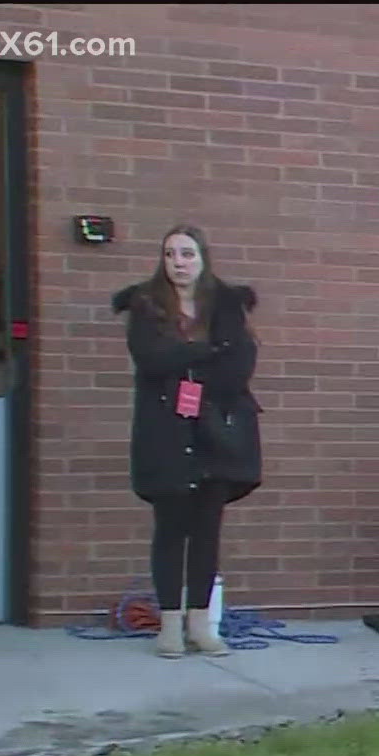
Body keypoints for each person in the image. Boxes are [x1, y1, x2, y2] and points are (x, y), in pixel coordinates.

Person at [110, 225, 261, 659]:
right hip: (165, 432)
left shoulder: (226, 304)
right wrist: (204, 351)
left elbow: (238, 362)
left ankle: (202, 625)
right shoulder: (146, 305)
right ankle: (169, 625)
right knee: (171, 530)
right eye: (171, 254)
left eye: (187, 254)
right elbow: (151, 358)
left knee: (206, 532)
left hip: (214, 430)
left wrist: (196, 361)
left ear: (202, 259)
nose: (179, 262)